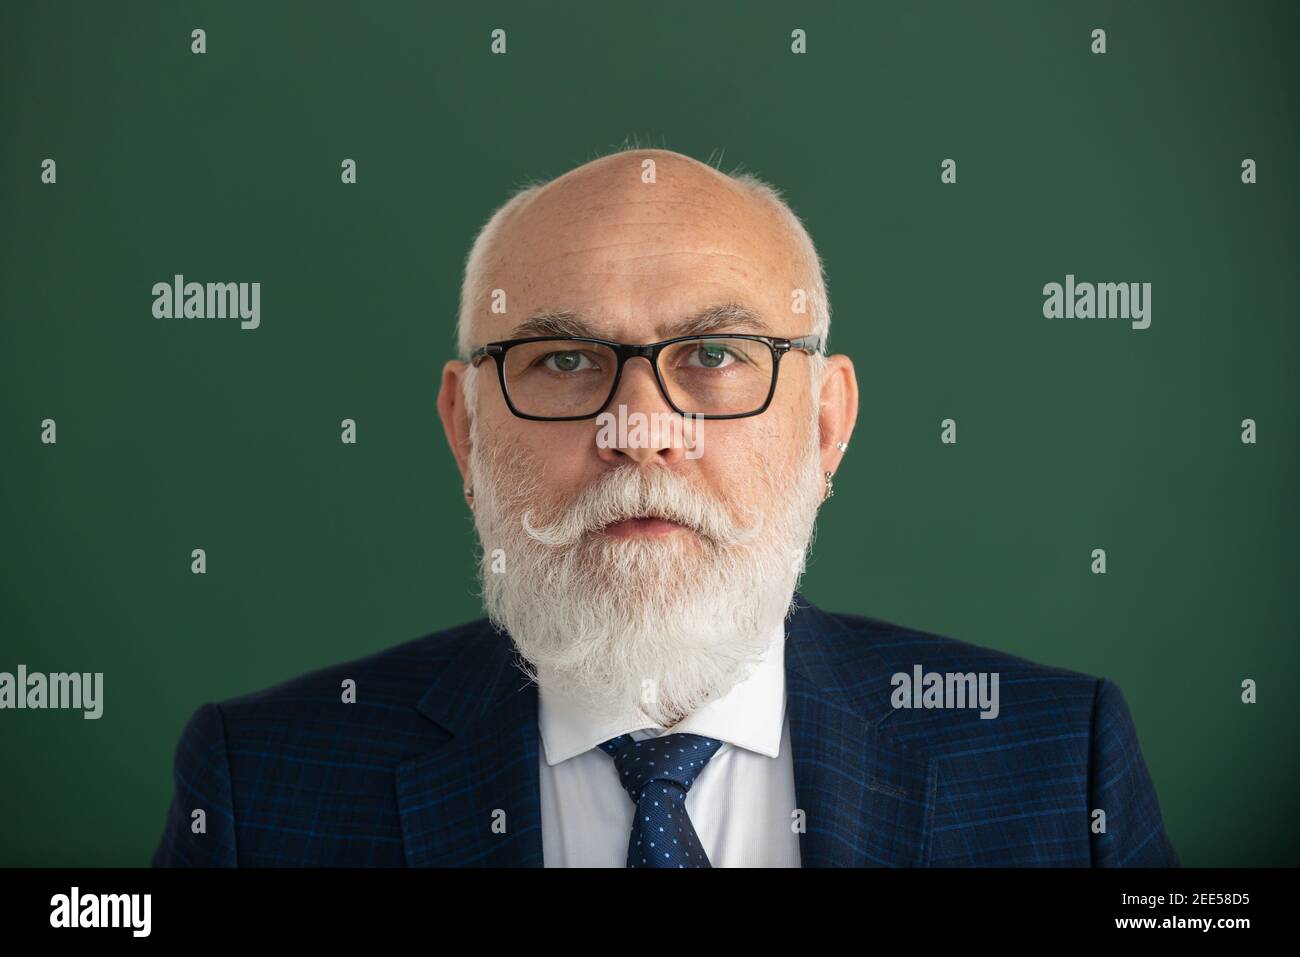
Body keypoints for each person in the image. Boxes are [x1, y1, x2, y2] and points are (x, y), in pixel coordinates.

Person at [152, 148, 1177, 867]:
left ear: (825, 427)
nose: (641, 432)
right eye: (561, 361)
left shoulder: (1055, 762)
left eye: (716, 357)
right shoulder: (264, 786)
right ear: (466, 431)